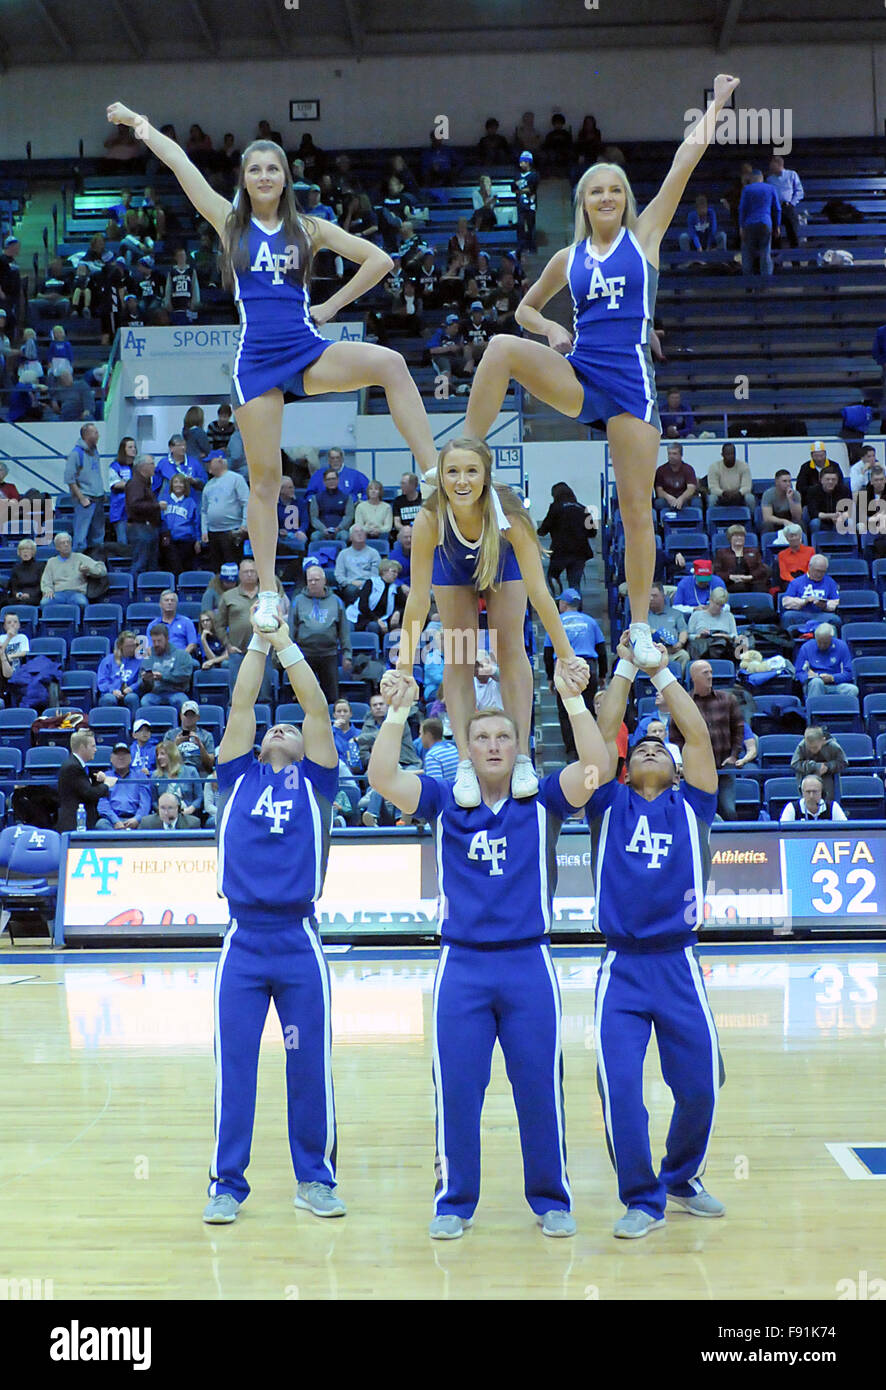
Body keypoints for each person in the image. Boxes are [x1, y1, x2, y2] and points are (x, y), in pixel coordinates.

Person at [106, 103, 435, 636]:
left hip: (306, 349)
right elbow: (181, 166)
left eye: (272, 168)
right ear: (245, 179)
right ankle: (268, 593)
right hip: (256, 361)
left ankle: (431, 473)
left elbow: (380, 261)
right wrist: (141, 127)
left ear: (286, 178)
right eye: (254, 169)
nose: (263, 175)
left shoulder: (308, 227)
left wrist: (330, 307)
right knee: (266, 481)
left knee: (392, 364)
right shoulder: (227, 221)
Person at [462, 74, 742, 669]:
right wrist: (551, 331)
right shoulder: (569, 257)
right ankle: (465, 460)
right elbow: (523, 308)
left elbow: (683, 164)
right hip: (582, 369)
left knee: (637, 509)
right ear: (585, 204)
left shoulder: (645, 239)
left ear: (625, 199)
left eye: (615, 190)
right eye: (597, 192)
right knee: (501, 348)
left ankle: (639, 626)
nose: (607, 198)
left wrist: (716, 103)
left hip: (631, 384)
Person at [369, 659, 607, 1239]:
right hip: (463, 964)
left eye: (503, 736)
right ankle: (454, 1200)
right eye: (482, 737)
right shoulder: (444, 799)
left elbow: (597, 767)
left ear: (518, 746)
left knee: (538, 1085)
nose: (493, 744)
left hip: (529, 961)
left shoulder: (543, 800)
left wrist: (575, 702)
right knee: (457, 1086)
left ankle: (551, 1197)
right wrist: (397, 711)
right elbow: (381, 778)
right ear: (466, 749)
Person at [202, 612, 344, 1225]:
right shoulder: (236, 776)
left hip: (298, 940)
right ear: (259, 743)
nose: (284, 726)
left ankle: (314, 1179)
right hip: (243, 942)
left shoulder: (317, 781)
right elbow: (241, 703)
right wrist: (257, 642)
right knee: (236, 1065)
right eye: (273, 726)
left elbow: (315, 708)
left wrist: (285, 643)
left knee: (307, 1062)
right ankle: (227, 1184)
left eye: (291, 727)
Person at [587, 634, 724, 1238]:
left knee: (700, 1088)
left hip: (678, 962)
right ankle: (643, 1199)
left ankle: (682, 1174)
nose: (650, 748)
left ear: (673, 771)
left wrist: (661, 671)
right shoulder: (606, 802)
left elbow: (695, 735)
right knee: (621, 1091)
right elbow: (604, 726)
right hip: (620, 967)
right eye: (639, 747)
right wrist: (622, 665)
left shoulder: (693, 804)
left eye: (657, 748)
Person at [394, 438, 589, 806]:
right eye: (452, 471)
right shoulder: (429, 517)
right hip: (451, 564)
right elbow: (418, 600)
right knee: (460, 653)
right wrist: (405, 666)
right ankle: (466, 763)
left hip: (503, 562)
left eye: (471, 471)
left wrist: (566, 655)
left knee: (508, 645)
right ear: (441, 476)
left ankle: (523, 760)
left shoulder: (510, 517)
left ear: (486, 476)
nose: (462, 480)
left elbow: (541, 593)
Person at [671, 659, 744, 820]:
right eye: (706, 673)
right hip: (697, 770)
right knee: (699, 812)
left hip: (724, 766)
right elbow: (675, 737)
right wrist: (687, 761)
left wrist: (734, 755)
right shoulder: (684, 704)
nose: (710, 676)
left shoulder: (728, 699)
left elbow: (738, 729)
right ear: (693, 677)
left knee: (729, 810)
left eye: (711, 672)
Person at [542, 589, 607, 759]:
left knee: (565, 712)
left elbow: (548, 652)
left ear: (563, 603)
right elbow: (601, 649)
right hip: (588, 667)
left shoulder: (555, 622)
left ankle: (571, 751)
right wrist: (602, 674)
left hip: (564, 667)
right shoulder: (591, 621)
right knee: (588, 709)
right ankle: (589, 749)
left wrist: (550, 677)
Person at [290, 563, 352, 703]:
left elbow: (344, 631)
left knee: (331, 696)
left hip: (329, 654)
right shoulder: (298, 601)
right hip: (304, 655)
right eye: (310, 580)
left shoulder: (336, 601)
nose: (313, 583)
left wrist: (347, 654)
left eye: (316, 580)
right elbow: (291, 628)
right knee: (303, 695)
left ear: (324, 581)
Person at [536, 482, 597, 594]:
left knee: (552, 576)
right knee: (575, 584)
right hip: (580, 552)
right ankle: (575, 607)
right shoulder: (583, 508)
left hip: (560, 551)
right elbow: (593, 532)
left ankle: (559, 600)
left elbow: (543, 530)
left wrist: (539, 531)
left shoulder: (555, 507)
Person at [57, 728, 116, 831]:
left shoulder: (77, 766)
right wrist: (106, 785)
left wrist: (97, 779)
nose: (95, 749)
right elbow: (89, 793)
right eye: (93, 746)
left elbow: (83, 783)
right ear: (82, 747)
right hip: (74, 824)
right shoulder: (72, 767)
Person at [201, 453, 249, 572]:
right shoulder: (209, 484)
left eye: (209, 462)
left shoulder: (236, 479)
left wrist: (244, 524)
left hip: (232, 531)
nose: (207, 465)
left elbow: (246, 502)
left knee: (233, 565)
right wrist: (204, 530)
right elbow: (204, 510)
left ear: (220, 461)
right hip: (213, 532)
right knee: (216, 568)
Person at [64, 423, 105, 553]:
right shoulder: (76, 454)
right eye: (95, 433)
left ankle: (95, 565)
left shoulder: (95, 451)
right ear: (86, 435)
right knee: (81, 537)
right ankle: (77, 566)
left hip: (98, 498)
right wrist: (81, 498)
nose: (98, 435)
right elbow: (69, 479)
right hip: (86, 499)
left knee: (98, 536)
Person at [40, 531, 106, 611]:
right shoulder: (52, 561)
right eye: (62, 543)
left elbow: (102, 570)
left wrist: (89, 570)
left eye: (68, 542)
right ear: (57, 547)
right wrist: (48, 590)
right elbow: (46, 580)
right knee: (44, 603)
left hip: (77, 593)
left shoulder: (80, 557)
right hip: (58, 593)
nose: (66, 545)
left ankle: (80, 623)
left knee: (82, 603)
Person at [138, 621, 194, 712]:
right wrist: (146, 680)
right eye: (154, 641)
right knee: (145, 701)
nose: (156, 644)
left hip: (176, 692)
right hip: (155, 693)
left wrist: (163, 676)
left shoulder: (181, 655)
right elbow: (141, 685)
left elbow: (185, 676)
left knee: (182, 701)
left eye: (159, 641)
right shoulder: (148, 657)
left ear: (167, 639)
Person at [125, 454, 165, 578]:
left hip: (148, 528)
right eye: (152, 464)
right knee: (140, 564)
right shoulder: (136, 484)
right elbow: (134, 505)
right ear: (143, 466)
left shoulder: (145, 484)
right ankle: (135, 593)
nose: (155, 467)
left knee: (150, 565)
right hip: (141, 528)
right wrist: (156, 506)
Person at [95, 742, 152, 829]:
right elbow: (102, 804)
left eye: (124, 754)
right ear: (111, 758)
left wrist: (137, 819)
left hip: (135, 819)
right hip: (112, 820)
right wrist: (115, 821)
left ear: (130, 758)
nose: (121, 757)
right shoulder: (105, 776)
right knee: (101, 824)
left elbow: (145, 803)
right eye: (117, 754)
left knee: (147, 824)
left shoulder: (140, 776)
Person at [796, 623, 858, 700]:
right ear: (815, 638)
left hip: (835, 684)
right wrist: (808, 677)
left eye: (825, 643)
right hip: (815, 685)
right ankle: (816, 711)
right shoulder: (806, 647)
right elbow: (798, 673)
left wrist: (832, 678)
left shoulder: (842, 646)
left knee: (852, 689)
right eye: (819, 642)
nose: (822, 645)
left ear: (831, 638)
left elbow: (849, 673)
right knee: (816, 682)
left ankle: (841, 711)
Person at [781, 556, 842, 634]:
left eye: (822, 572)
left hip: (821, 614)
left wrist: (824, 605)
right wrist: (804, 601)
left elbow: (835, 602)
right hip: (801, 614)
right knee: (787, 616)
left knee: (835, 619)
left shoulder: (830, 582)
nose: (819, 574)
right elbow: (786, 602)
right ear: (809, 567)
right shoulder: (796, 582)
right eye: (817, 571)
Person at [790, 724, 847, 806]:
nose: (812, 750)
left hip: (828, 781)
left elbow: (843, 762)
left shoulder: (833, 746)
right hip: (807, 780)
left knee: (828, 804)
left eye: (815, 747)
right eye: (809, 748)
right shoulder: (802, 746)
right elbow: (795, 763)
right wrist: (813, 766)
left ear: (823, 740)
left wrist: (828, 766)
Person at [686, 587, 746, 663]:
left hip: (724, 649)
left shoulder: (728, 616)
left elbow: (735, 636)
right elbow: (689, 636)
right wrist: (699, 636)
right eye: (716, 604)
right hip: (703, 647)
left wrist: (726, 636)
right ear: (710, 600)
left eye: (721, 605)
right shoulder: (696, 615)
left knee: (742, 642)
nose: (718, 607)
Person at [739, 169, 780, 277]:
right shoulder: (771, 188)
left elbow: (742, 209)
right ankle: (765, 283)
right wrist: (777, 226)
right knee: (765, 253)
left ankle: (748, 284)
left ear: (752, 178)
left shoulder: (747, 189)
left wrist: (741, 227)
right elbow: (777, 209)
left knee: (747, 254)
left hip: (749, 224)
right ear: (762, 178)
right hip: (765, 223)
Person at [160, 473, 201, 576]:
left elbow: (196, 522)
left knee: (185, 569)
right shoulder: (164, 500)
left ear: (185, 485)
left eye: (181, 482)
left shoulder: (190, 502)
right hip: (168, 540)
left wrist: (198, 540)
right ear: (171, 485)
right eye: (176, 482)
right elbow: (160, 519)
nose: (178, 485)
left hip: (186, 541)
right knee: (173, 568)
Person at [644, 582, 690, 673]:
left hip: (671, 652)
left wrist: (680, 643)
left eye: (654, 595)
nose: (651, 599)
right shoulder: (642, 615)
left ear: (663, 596)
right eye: (649, 596)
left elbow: (683, 631)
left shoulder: (676, 613)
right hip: (649, 653)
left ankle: (677, 683)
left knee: (684, 655)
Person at [151, 739, 202, 818]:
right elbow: (154, 801)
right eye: (157, 754)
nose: (159, 757)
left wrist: (190, 809)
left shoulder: (191, 771)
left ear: (172, 755)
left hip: (187, 813)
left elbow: (199, 797)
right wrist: (162, 811)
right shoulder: (155, 776)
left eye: (162, 754)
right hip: (163, 816)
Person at [712, 524, 770, 594]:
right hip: (730, 583)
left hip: (752, 581)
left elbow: (761, 569)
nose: (739, 538)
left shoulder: (753, 551)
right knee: (739, 587)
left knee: (761, 589)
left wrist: (750, 577)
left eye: (741, 536)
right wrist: (730, 577)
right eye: (736, 536)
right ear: (730, 538)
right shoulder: (721, 553)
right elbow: (717, 572)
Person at [97, 630, 145, 713]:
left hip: (130, 692)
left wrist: (132, 688)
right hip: (111, 692)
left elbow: (142, 680)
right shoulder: (108, 660)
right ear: (120, 646)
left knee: (132, 698)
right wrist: (112, 690)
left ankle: (133, 724)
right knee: (109, 699)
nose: (132, 649)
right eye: (128, 646)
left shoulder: (140, 660)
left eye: (134, 646)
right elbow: (102, 680)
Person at [766, 154, 804, 251]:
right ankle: (778, 262)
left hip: (788, 206)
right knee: (775, 234)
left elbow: (799, 191)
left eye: (772, 165)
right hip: (775, 208)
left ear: (779, 164)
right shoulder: (770, 179)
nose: (770, 167)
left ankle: (796, 262)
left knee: (793, 234)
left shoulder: (792, 174)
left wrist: (792, 203)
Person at [333, 525, 379, 604]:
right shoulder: (343, 554)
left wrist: (365, 583)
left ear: (365, 536)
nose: (359, 534)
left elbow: (376, 574)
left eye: (362, 531)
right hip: (350, 585)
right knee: (351, 590)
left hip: (369, 584)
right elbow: (339, 575)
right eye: (356, 532)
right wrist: (350, 582)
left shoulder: (373, 553)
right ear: (350, 537)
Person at [308, 469, 355, 542]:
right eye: (328, 479)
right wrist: (323, 529)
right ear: (324, 482)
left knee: (344, 536)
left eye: (333, 479)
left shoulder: (347, 497)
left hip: (340, 530)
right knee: (314, 536)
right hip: (322, 531)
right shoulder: (316, 498)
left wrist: (339, 528)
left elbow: (349, 516)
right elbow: (314, 518)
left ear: (338, 480)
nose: (331, 481)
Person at [780, 773, 847, 823]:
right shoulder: (792, 808)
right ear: (801, 792)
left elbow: (844, 830)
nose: (811, 796)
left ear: (822, 792)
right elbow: (783, 833)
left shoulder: (833, 807)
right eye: (808, 792)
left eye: (815, 792)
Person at [705, 443, 754, 511]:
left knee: (750, 498)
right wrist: (723, 493)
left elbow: (747, 487)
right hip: (721, 496)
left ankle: (752, 519)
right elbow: (713, 488)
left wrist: (739, 493)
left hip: (739, 496)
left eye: (733, 454)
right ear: (722, 455)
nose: (731, 456)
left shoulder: (744, 466)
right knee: (712, 498)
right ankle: (711, 520)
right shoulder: (714, 467)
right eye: (728, 454)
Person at [795, 441, 843, 507]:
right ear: (811, 455)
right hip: (811, 500)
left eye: (821, 455)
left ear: (825, 454)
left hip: (832, 499)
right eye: (816, 456)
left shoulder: (834, 465)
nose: (819, 458)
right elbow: (800, 487)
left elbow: (840, 484)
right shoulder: (805, 467)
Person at [806, 466, 851, 534]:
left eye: (833, 479)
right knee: (815, 523)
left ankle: (845, 544)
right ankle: (816, 543)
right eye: (827, 479)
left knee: (848, 521)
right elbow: (813, 513)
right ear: (821, 480)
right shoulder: (813, 491)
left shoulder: (844, 490)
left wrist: (841, 517)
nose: (830, 482)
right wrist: (831, 515)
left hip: (839, 519)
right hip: (821, 520)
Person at [653, 442, 697, 511]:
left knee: (696, 502)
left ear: (681, 455)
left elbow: (691, 489)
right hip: (667, 499)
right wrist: (668, 497)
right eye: (669, 454)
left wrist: (681, 499)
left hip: (684, 499)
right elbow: (659, 491)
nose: (671, 456)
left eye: (674, 454)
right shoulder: (661, 470)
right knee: (659, 503)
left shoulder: (688, 469)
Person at [109, 436, 136, 544]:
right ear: (123, 449)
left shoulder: (138, 465)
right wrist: (134, 484)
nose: (133, 449)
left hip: (135, 510)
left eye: (134, 447)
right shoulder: (115, 466)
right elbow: (115, 484)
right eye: (130, 447)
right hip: (120, 510)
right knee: (122, 541)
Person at [760, 469, 802, 534]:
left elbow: (797, 517)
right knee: (767, 525)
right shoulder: (768, 494)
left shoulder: (795, 494)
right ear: (777, 482)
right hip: (775, 521)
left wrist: (790, 500)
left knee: (800, 524)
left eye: (789, 481)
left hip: (790, 519)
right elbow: (767, 517)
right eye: (784, 481)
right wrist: (783, 521)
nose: (788, 484)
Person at [5, 537, 44, 607]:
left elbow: (41, 586)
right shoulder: (16, 567)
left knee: (24, 602)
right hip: (19, 596)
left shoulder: (40, 566)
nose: (25, 552)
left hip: (34, 596)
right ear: (19, 552)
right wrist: (17, 594)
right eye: (22, 549)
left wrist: (29, 595)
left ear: (33, 552)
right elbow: (13, 586)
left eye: (28, 549)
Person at [776, 522, 814, 589]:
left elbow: (811, 569)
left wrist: (803, 581)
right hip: (789, 580)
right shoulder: (781, 554)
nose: (794, 538)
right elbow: (784, 573)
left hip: (806, 578)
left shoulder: (810, 551)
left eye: (796, 535)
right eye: (791, 536)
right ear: (787, 539)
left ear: (800, 536)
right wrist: (795, 582)